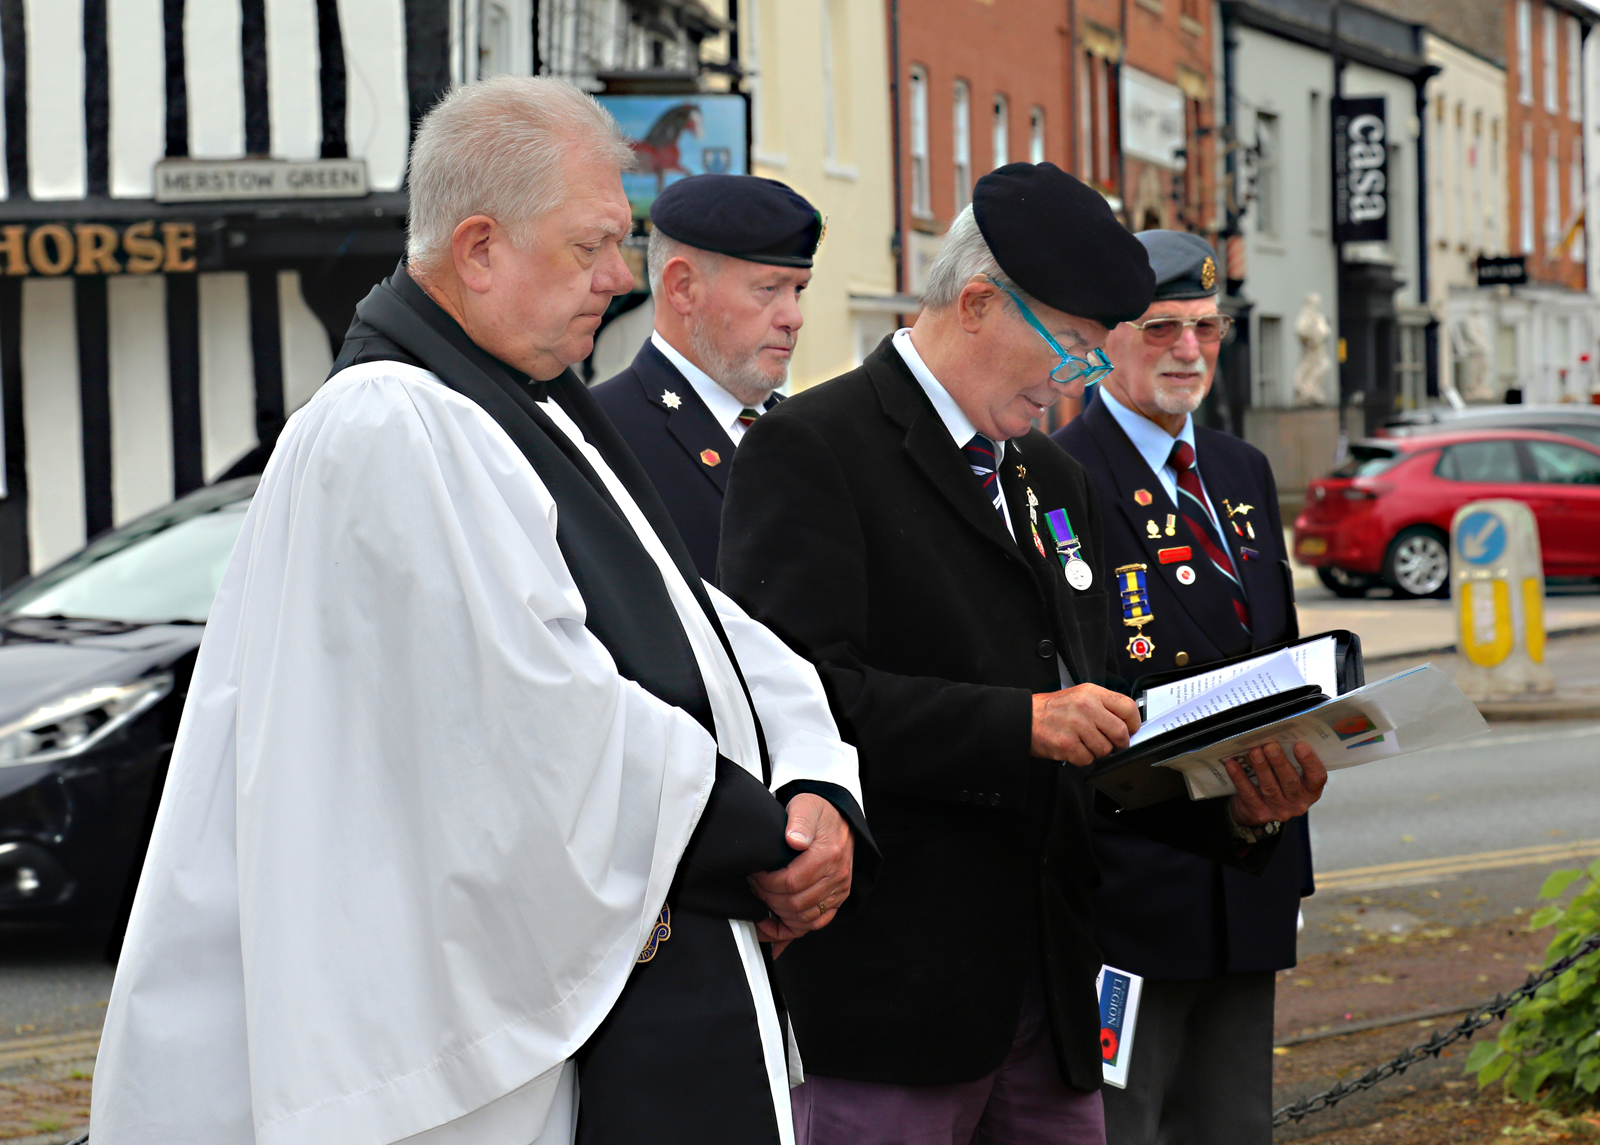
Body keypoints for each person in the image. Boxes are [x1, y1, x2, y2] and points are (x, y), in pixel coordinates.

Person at [90, 76, 876, 1145]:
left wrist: (817, 780)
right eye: (592, 245)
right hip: (449, 1029)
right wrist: (765, 830)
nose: (618, 277)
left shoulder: (525, 401)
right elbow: (527, 718)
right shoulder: (392, 424)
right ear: (479, 249)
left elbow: (705, 627)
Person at [718, 164, 1327, 1145]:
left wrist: (1230, 804)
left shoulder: (1047, 474)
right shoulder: (813, 446)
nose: (1074, 381)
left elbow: (1103, 721)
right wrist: (1020, 722)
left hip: (1050, 985)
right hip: (899, 994)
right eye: (1072, 350)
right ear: (975, 305)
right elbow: (787, 699)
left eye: (1089, 356)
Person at [1051, 229, 1309, 1145]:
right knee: (1126, 1126)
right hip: (1133, 887)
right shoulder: (1058, 477)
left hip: (1250, 862)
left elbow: (1271, 649)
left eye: (1207, 326)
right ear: (1103, 337)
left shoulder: (1240, 469)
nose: (1190, 352)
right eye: (1161, 328)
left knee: (1233, 1122)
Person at [592, 174, 818, 581]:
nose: (794, 317)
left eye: (798, 290)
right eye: (768, 288)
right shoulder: (599, 435)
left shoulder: (811, 433)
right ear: (683, 288)